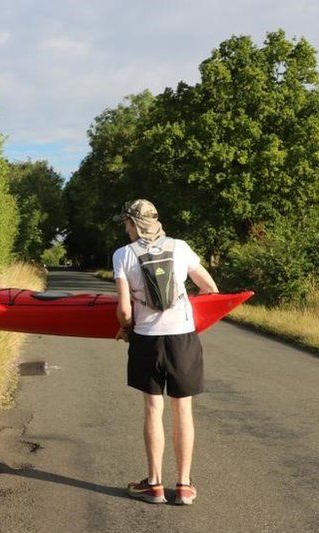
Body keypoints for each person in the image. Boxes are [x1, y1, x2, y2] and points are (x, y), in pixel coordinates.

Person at [111, 199, 218, 506]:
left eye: (126, 223)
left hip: (147, 340)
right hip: (183, 338)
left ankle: (154, 484)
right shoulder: (180, 248)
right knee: (183, 409)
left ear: (134, 224)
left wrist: (125, 329)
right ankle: (184, 486)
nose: (126, 229)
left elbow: (124, 310)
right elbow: (209, 288)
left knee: (152, 409)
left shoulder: (123, 255)